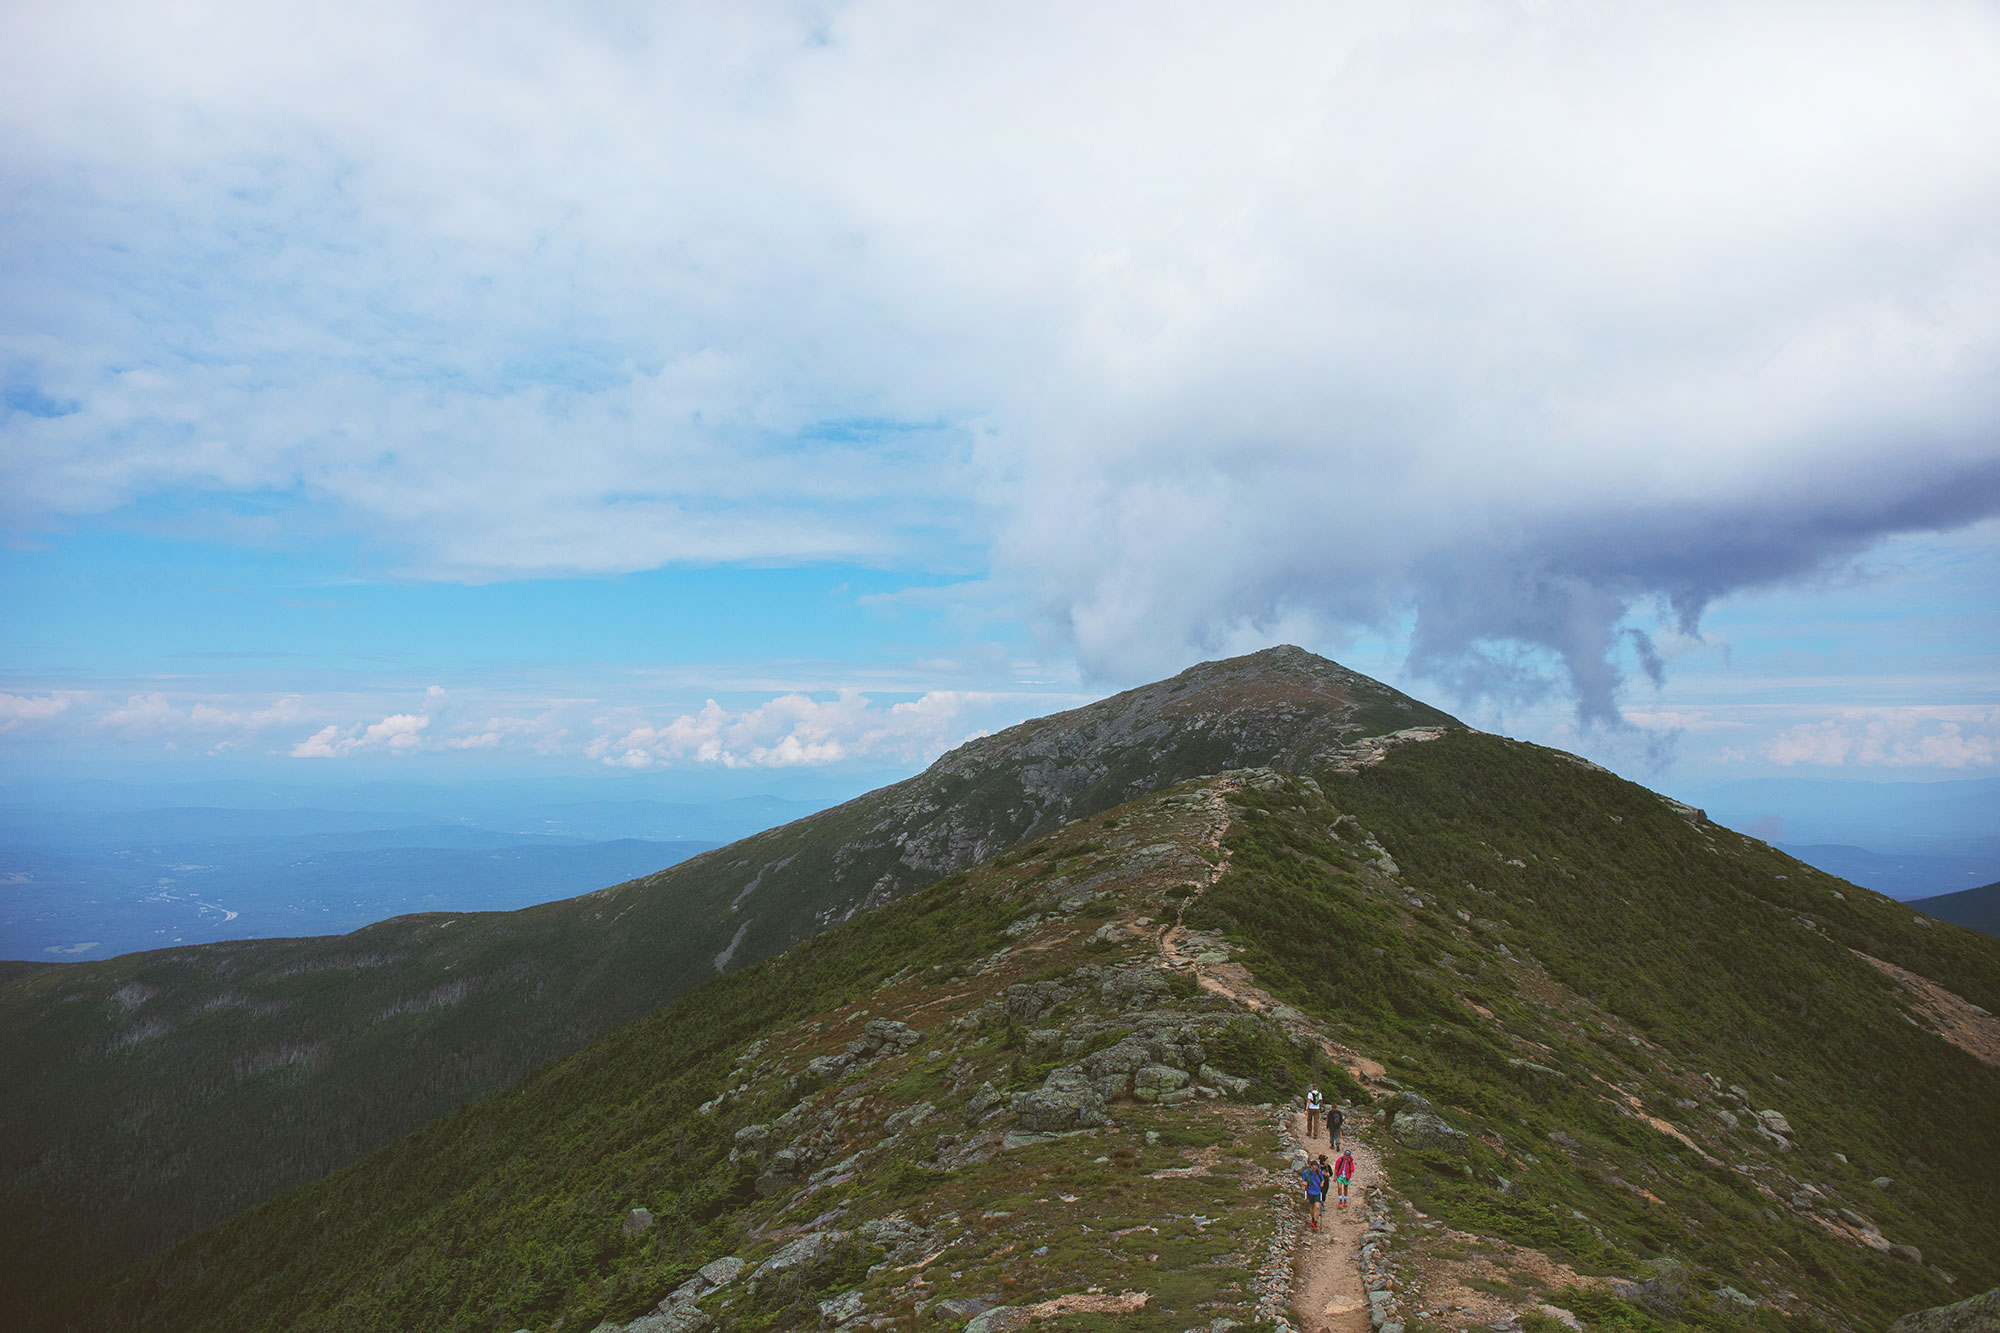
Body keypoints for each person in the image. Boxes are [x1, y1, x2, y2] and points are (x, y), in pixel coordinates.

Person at [1301, 1155, 1326, 1230]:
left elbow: (1322, 1179)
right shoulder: (1306, 1172)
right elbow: (1303, 1180)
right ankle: (1312, 1219)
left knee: (1317, 1207)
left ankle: (1315, 1222)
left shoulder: (1319, 1172)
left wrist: (1322, 1184)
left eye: (1315, 1168)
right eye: (1313, 1168)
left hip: (1317, 1191)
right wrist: (1305, 1183)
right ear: (1311, 1167)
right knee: (1312, 1207)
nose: (1314, 1169)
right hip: (1310, 1191)